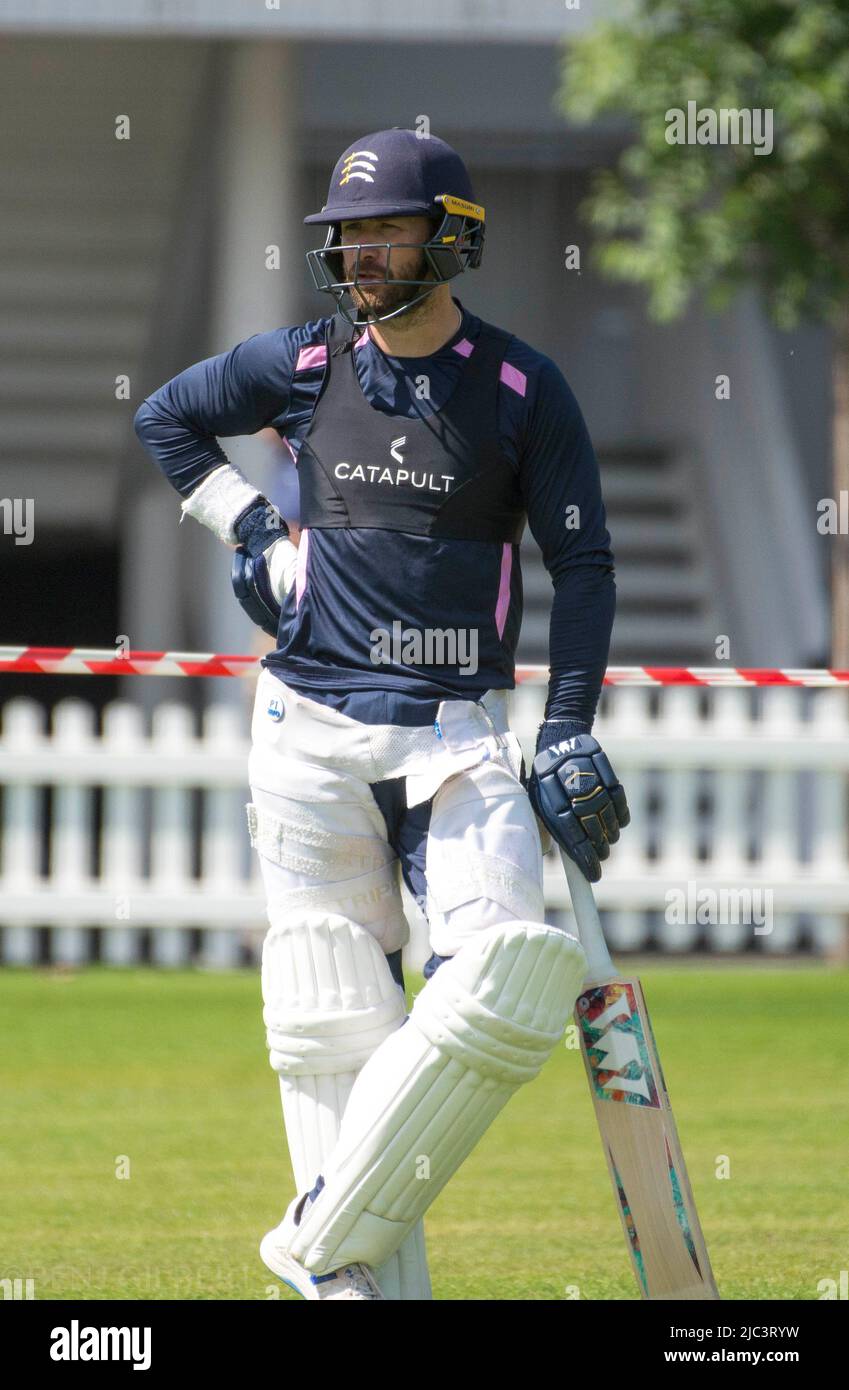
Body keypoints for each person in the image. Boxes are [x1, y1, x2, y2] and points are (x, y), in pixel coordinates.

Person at [134, 128, 629, 1301]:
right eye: (345, 232)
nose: (358, 251)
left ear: (450, 236)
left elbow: (587, 566)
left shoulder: (521, 388)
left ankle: (310, 1240)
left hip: (456, 735)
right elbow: (167, 419)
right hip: (305, 731)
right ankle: (349, 1282)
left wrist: (563, 728)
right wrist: (254, 531)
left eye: (384, 228)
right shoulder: (305, 363)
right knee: (324, 1011)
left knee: (502, 975)